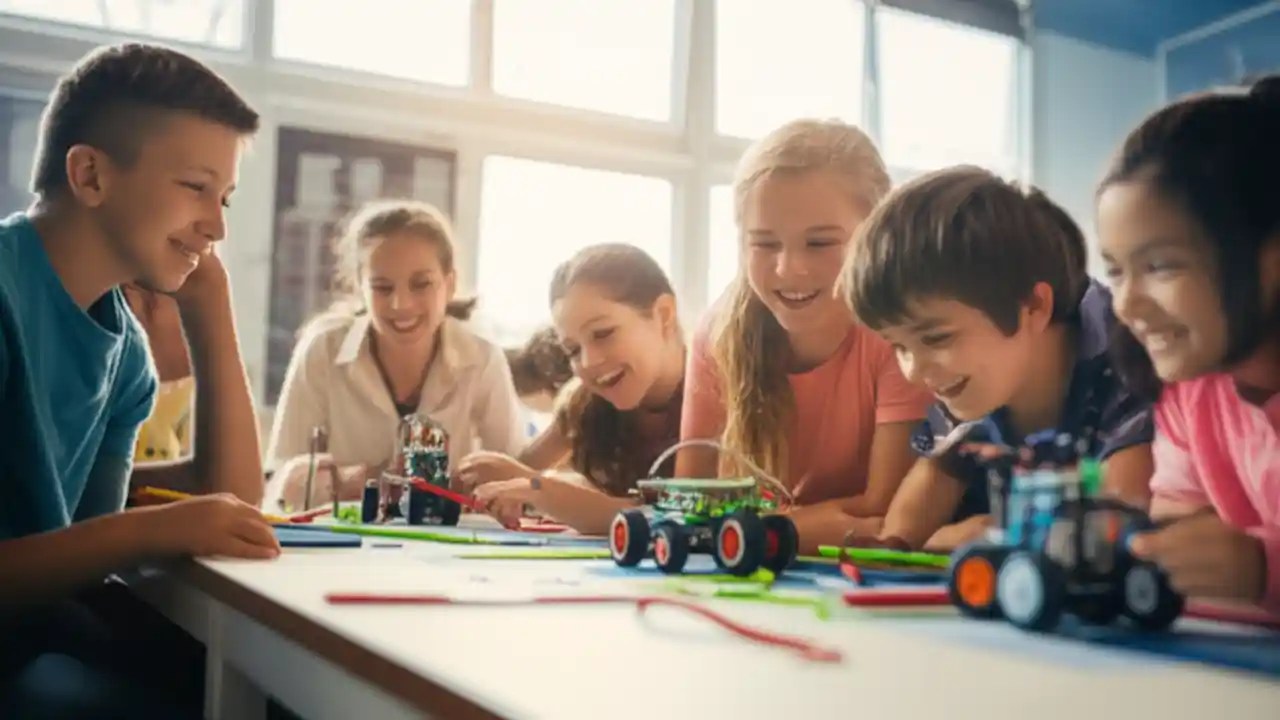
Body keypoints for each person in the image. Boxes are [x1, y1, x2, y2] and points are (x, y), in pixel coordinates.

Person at [0, 42, 279, 717]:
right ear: (91, 175)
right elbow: (113, 539)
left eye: (225, 198)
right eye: (195, 187)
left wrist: (212, 314)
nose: (216, 224)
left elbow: (234, 509)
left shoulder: (122, 350)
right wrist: (152, 530)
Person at [843, 165, 1154, 552]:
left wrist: (997, 536)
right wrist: (928, 540)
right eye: (899, 347)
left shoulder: (1126, 363)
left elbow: (1116, 524)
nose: (914, 372)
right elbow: (902, 533)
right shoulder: (974, 383)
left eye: (936, 337)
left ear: (1034, 307)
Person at [676, 119, 931, 552]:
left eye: (819, 244)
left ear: (874, 236)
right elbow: (690, 499)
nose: (788, 269)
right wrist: (807, 524)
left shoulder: (897, 334)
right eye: (764, 244)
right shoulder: (718, 332)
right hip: (761, 557)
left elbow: (884, 511)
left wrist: (747, 529)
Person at [1098, 76, 1280, 611]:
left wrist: (1262, 566)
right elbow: (1180, 518)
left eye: (1159, 265)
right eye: (1115, 272)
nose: (1127, 304)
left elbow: (1246, 570)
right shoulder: (1190, 397)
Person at [265, 199, 523, 511]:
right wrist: (362, 480)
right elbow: (280, 483)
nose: (401, 304)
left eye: (421, 284)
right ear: (361, 288)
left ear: (450, 284)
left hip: (444, 544)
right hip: (343, 545)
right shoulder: (323, 350)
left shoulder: (481, 358)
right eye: (382, 288)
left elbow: (516, 479)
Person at [456, 244, 686, 534]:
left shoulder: (715, 395)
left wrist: (536, 487)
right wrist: (493, 477)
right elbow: (515, 475)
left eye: (603, 334)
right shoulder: (585, 404)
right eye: (573, 350)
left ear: (663, 315)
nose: (589, 362)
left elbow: (674, 522)